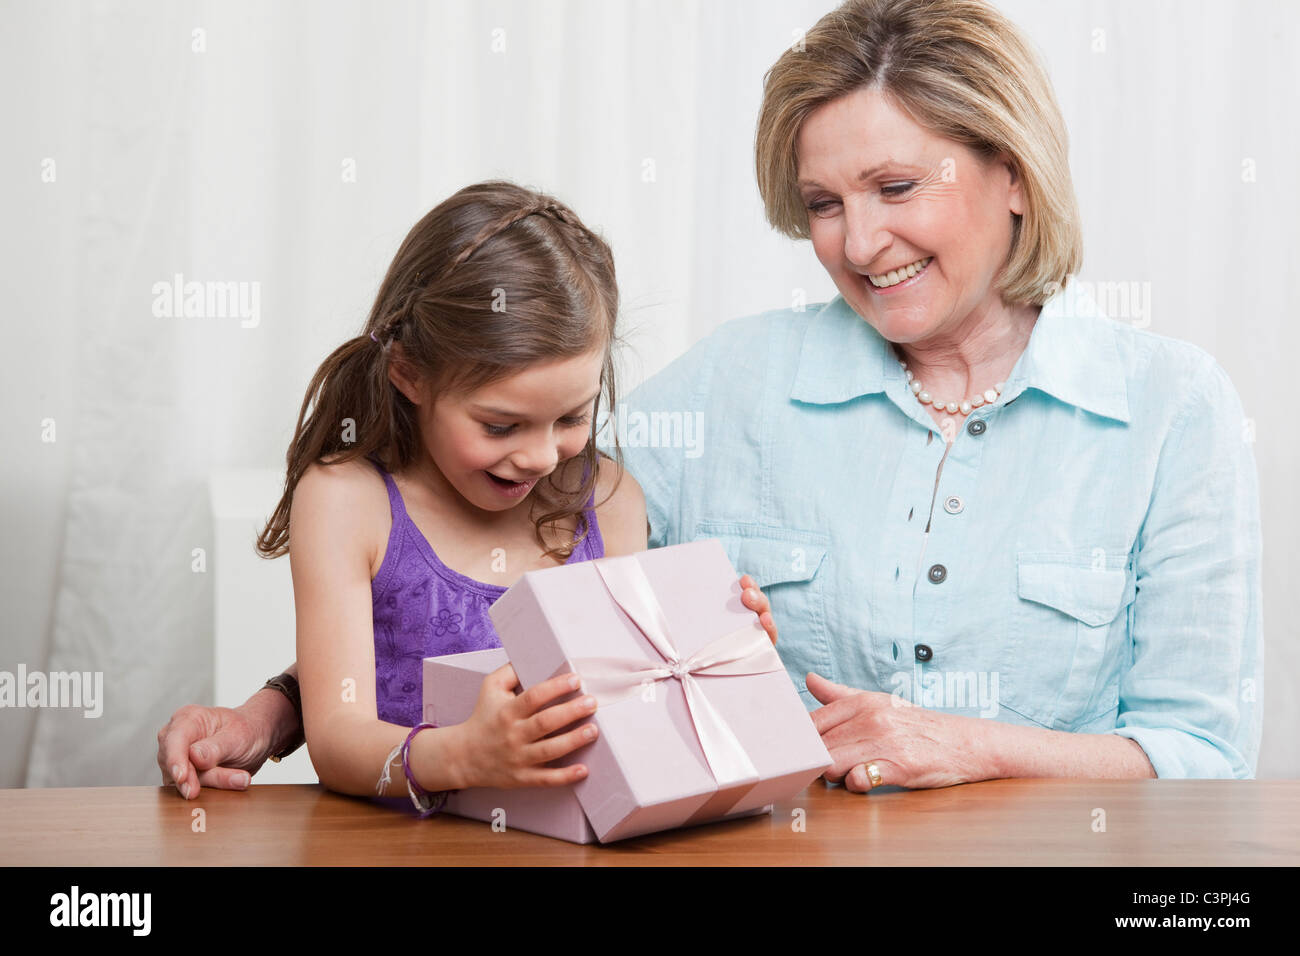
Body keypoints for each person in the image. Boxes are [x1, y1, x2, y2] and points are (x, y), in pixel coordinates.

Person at [159, 0, 1262, 796]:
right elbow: (502, 585)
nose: (858, 241)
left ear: (1013, 172)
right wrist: (277, 711)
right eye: (822, 202)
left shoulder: (1172, 410)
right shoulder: (719, 392)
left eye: (895, 186)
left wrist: (965, 742)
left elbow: (1203, 756)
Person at [155, 181, 778, 809]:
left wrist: (717, 666)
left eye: (570, 418)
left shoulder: (610, 501)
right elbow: (339, 740)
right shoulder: (349, 502)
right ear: (409, 374)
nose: (539, 456)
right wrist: (462, 756)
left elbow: (635, 713)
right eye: (500, 425)